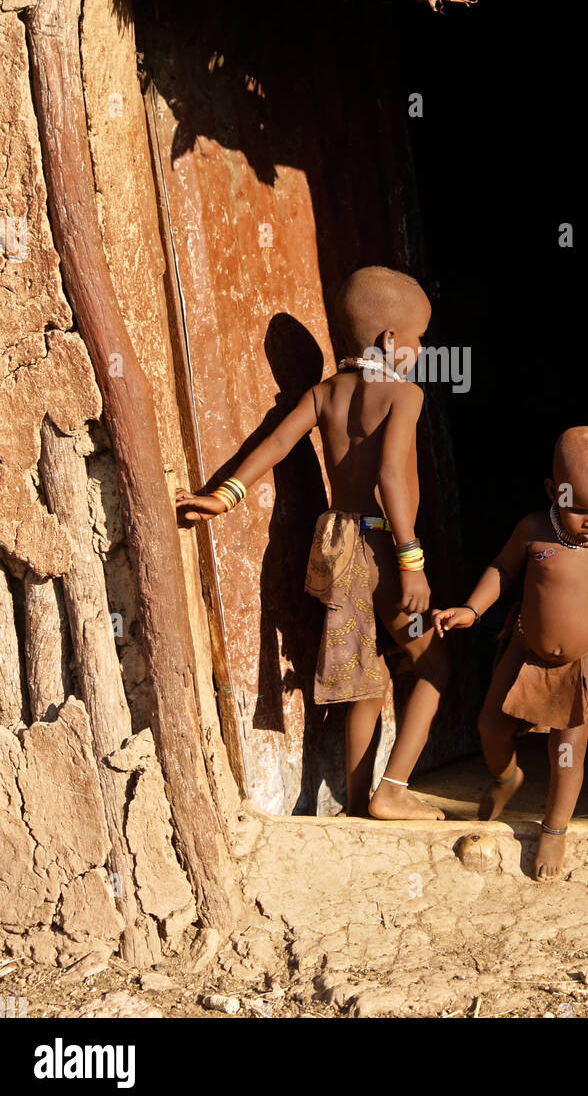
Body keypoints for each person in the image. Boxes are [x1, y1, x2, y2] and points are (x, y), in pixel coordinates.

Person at [176, 266, 450, 820]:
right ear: (391, 342)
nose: (420, 354)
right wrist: (412, 561)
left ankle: (356, 803)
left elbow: (275, 442)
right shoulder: (402, 393)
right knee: (434, 667)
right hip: (380, 549)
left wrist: (223, 497)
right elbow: (392, 478)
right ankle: (391, 790)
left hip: (335, 545)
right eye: (419, 342)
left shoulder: (324, 393)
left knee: (367, 679)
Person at [432, 426, 588, 881]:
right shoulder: (534, 530)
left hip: (582, 660)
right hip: (526, 648)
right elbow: (501, 568)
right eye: (577, 508)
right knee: (490, 726)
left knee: (568, 751)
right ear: (554, 491)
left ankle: (554, 829)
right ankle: (506, 777)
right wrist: (472, 609)